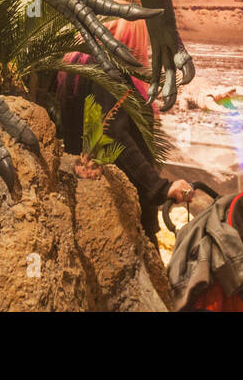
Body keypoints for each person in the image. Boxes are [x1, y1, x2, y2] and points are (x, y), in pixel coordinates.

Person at [56, 18, 193, 238]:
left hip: (86, 195)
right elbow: (113, 134)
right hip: (122, 209)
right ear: (126, 39)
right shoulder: (109, 72)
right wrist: (160, 188)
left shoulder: (76, 65)